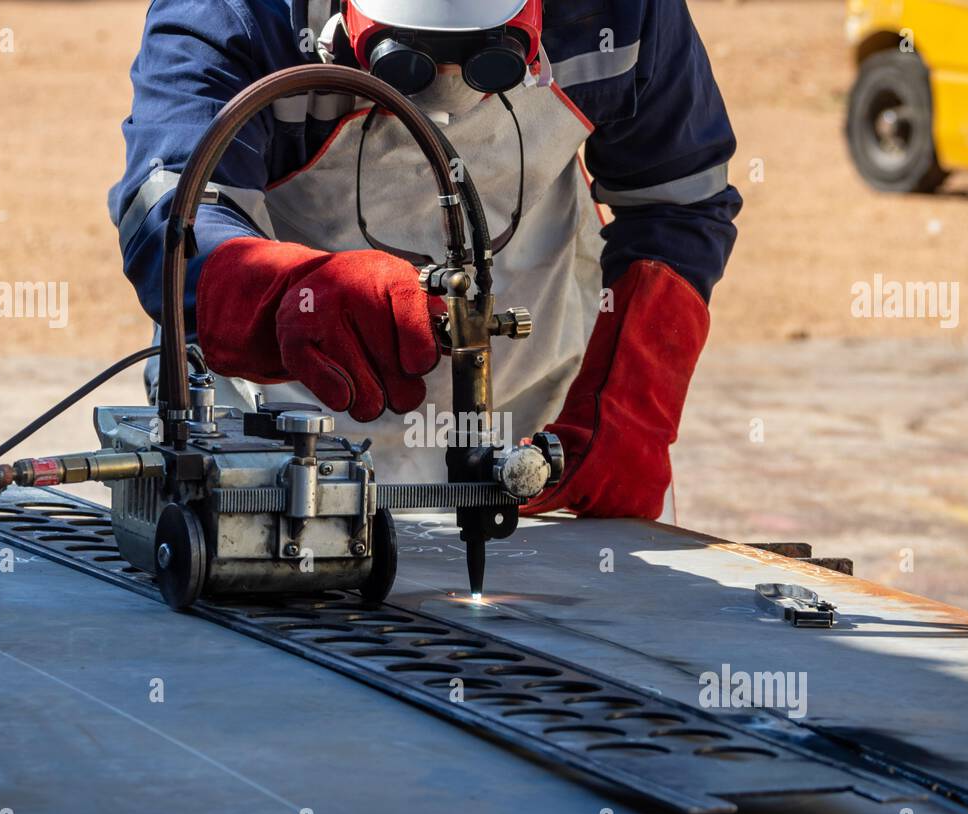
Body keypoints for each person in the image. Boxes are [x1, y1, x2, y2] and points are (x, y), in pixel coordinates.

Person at [110, 0, 740, 519]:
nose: (450, 87)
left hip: (532, 440)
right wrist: (292, 296)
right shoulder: (238, 15)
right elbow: (170, 217)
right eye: (412, 62)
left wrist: (627, 405)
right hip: (269, 441)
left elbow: (677, 205)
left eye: (491, 58)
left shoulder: (617, 12)